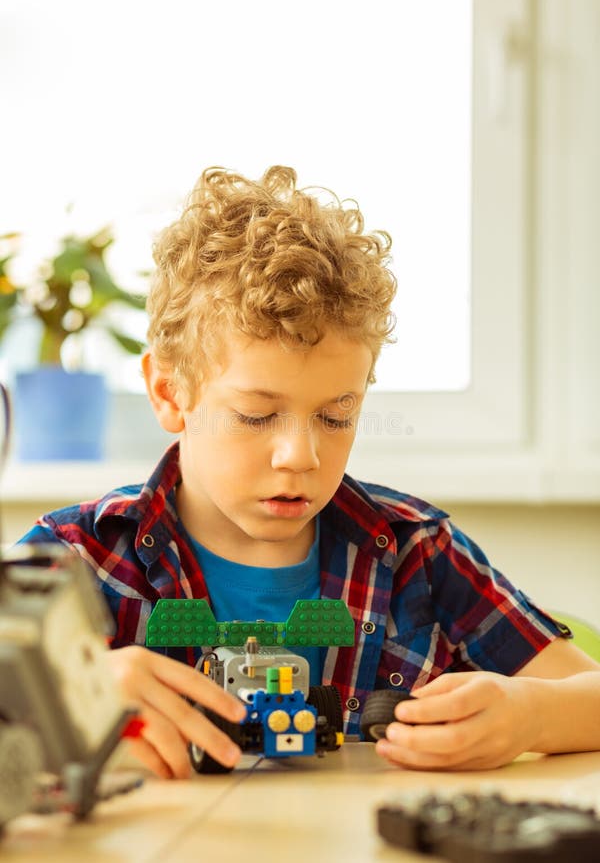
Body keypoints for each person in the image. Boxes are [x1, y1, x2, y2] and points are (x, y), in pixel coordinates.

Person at [18, 166, 600, 779]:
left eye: (335, 415)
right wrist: (73, 698)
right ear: (169, 392)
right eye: (256, 415)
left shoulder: (416, 555)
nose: (300, 455)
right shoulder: (73, 561)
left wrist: (532, 716)